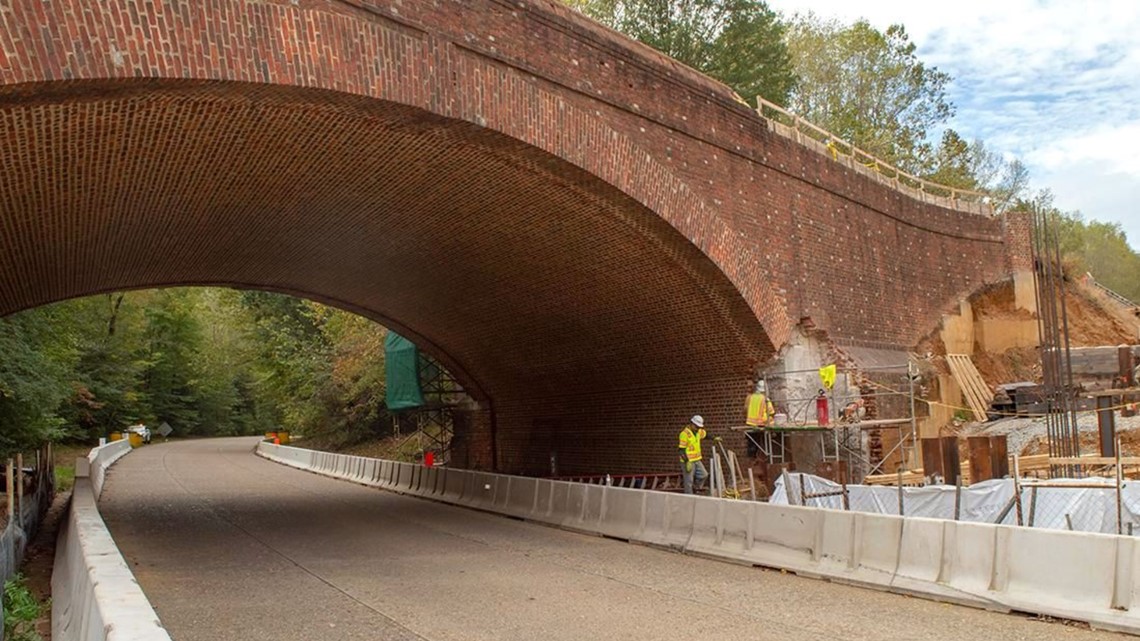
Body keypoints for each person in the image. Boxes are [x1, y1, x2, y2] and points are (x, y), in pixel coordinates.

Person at [678, 415, 711, 494]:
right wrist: (687, 461)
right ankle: (689, 497)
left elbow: (706, 435)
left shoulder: (698, 431)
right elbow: (681, 450)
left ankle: (696, 489)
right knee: (689, 481)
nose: (698, 429)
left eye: (699, 427)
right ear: (691, 424)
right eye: (696, 427)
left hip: (696, 460)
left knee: (704, 475)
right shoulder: (684, 434)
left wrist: (714, 438)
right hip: (688, 461)